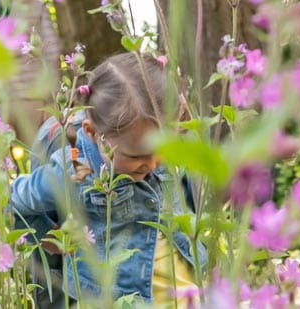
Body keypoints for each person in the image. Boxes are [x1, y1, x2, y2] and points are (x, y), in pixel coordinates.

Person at [10, 52, 197, 305]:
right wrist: (52, 239)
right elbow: (15, 201)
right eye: (137, 155)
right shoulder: (76, 168)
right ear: (93, 132)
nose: (153, 164)